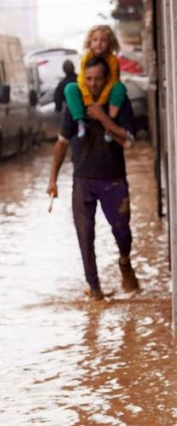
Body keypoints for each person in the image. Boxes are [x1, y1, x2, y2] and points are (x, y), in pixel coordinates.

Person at [47, 54, 139, 300]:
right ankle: (95, 291)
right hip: (83, 179)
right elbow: (61, 143)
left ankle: (124, 261)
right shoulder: (74, 101)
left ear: (106, 78)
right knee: (85, 236)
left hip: (113, 179)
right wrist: (52, 179)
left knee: (122, 232)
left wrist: (103, 118)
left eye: (98, 78)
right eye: (88, 79)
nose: (93, 83)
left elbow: (129, 141)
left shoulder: (118, 101)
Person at [63, 25, 127, 139]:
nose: (99, 43)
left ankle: (110, 125)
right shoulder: (85, 58)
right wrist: (88, 100)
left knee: (120, 87)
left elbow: (112, 82)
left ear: (110, 43)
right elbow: (82, 80)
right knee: (70, 88)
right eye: (95, 40)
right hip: (88, 93)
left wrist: (101, 102)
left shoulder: (113, 61)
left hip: (106, 93)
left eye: (103, 40)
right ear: (89, 42)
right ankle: (80, 122)